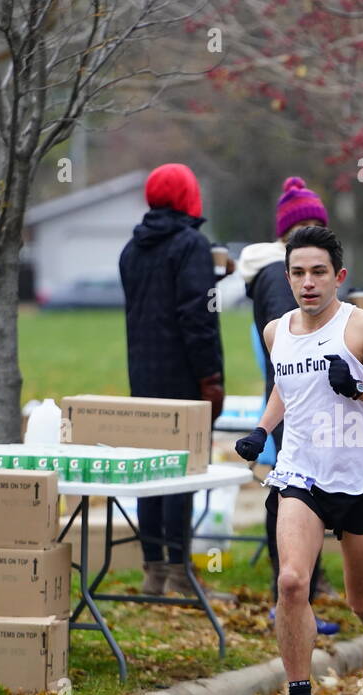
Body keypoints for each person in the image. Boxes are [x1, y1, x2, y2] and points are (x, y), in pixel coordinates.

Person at [232, 226, 363, 695]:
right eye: (298, 273)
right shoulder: (276, 332)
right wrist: (263, 429)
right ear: (286, 276)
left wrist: (360, 387)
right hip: (300, 475)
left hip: (360, 478)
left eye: (319, 272)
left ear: (338, 276)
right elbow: (286, 389)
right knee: (292, 582)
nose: (308, 283)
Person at [120, 163, 230, 601]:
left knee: (150, 472)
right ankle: (182, 576)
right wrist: (211, 378)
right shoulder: (191, 246)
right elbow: (196, 317)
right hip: (184, 377)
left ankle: (155, 573)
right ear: (187, 196)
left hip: (143, 376)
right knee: (181, 473)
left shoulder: (132, 249)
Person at [238, 177, 339, 632]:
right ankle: (292, 604)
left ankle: (301, 597)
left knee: (297, 496)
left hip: (299, 402)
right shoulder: (281, 285)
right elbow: (298, 351)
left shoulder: (275, 276)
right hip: (296, 406)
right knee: (293, 499)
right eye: (306, 227)